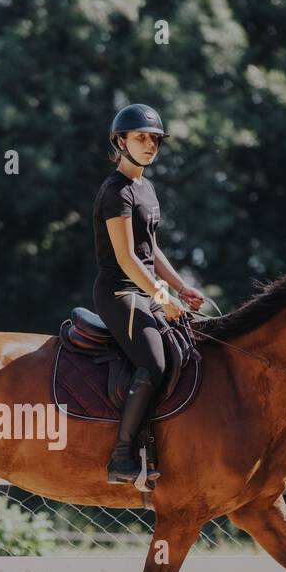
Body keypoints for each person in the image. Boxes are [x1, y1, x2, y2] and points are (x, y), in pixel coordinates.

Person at [91, 103, 206, 486]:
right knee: (155, 363)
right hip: (119, 292)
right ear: (120, 141)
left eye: (154, 139)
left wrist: (180, 286)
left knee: (188, 347)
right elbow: (125, 258)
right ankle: (122, 454)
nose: (150, 145)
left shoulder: (146, 188)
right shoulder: (116, 192)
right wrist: (160, 296)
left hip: (146, 288)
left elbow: (149, 250)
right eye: (141, 138)